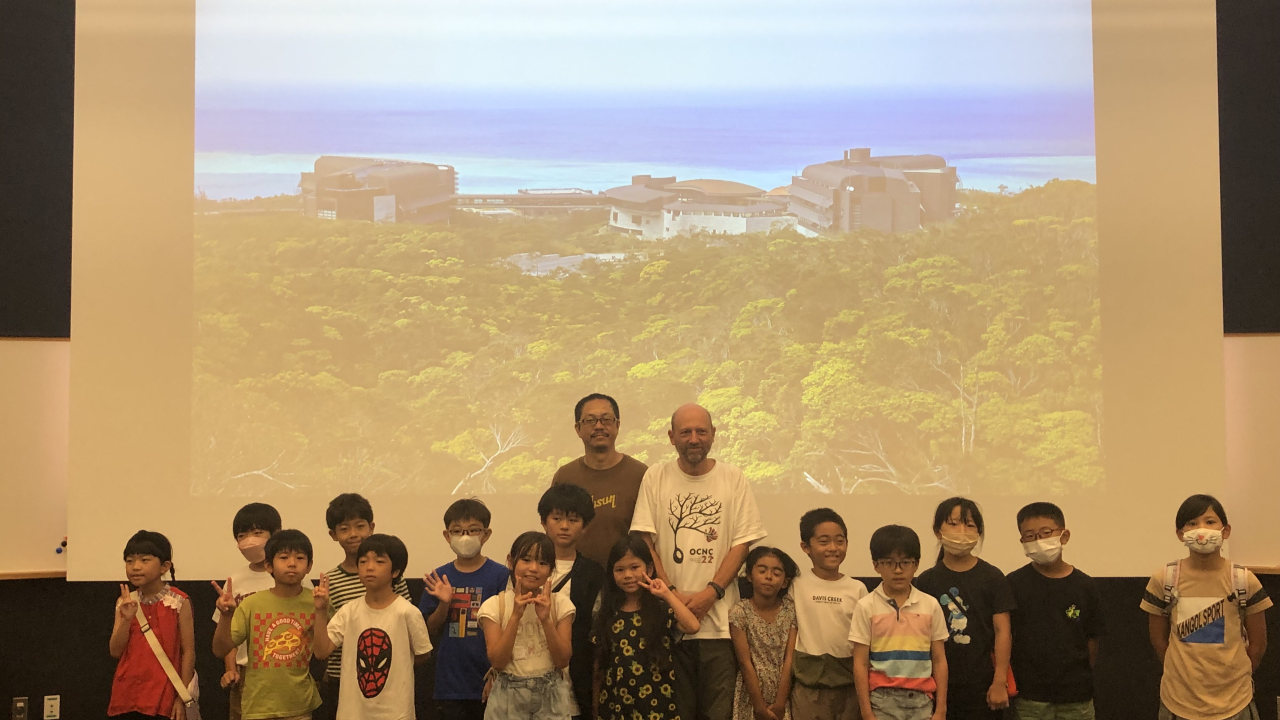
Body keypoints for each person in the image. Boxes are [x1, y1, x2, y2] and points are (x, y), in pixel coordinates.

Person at [630, 403, 767, 720]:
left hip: (720, 627)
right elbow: (646, 541)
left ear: (713, 435)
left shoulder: (733, 478)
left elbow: (742, 542)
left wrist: (711, 592)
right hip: (668, 624)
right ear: (671, 437)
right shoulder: (656, 476)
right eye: (686, 432)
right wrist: (672, 592)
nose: (694, 439)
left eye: (701, 431)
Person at [1140, 494, 1271, 720]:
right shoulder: (1164, 579)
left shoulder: (1244, 580)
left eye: (1210, 522)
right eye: (1192, 523)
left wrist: (1234, 676)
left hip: (1235, 703)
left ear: (1225, 530)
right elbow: (1159, 641)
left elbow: (1258, 645)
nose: (1201, 529)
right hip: (1178, 703)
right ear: (1181, 534)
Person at [914, 497, 1015, 720]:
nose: (962, 531)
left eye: (969, 525)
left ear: (978, 532)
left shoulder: (992, 577)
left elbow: (1002, 630)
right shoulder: (926, 581)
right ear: (938, 531)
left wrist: (999, 681)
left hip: (982, 684)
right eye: (953, 523)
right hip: (935, 686)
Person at [314, 534, 433, 720]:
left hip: (396, 713)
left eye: (379, 561)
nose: (369, 567)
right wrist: (320, 611)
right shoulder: (349, 611)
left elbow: (423, 654)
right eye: (363, 561)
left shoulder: (407, 612)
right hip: (352, 713)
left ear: (395, 572)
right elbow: (321, 652)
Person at [1007, 502, 1105, 720]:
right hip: (1031, 696)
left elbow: (1092, 640)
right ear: (1022, 541)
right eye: (1030, 536)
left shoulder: (1085, 585)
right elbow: (1007, 636)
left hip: (1076, 695)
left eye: (1046, 533)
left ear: (1064, 535)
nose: (1039, 541)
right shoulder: (1013, 584)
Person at [318, 494, 412, 720]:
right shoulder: (330, 581)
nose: (353, 534)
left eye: (360, 526)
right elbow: (326, 636)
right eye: (344, 528)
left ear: (371, 527)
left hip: (387, 674)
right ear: (333, 534)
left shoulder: (392, 577)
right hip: (342, 674)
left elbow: (407, 629)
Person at [212, 529, 323, 720]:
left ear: (309, 565)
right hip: (258, 705)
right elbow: (220, 650)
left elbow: (324, 650)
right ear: (269, 565)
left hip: (300, 705)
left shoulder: (317, 603)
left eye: (300, 557)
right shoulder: (251, 604)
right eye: (284, 557)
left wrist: (321, 611)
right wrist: (226, 616)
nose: (292, 563)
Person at [591, 533, 701, 720]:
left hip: (658, 703)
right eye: (619, 569)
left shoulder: (661, 609)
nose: (628, 575)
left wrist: (667, 594)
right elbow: (599, 666)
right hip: (615, 704)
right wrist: (595, 708)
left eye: (635, 567)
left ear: (649, 569)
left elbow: (692, 626)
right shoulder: (606, 613)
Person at [419, 498, 510, 720]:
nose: (465, 537)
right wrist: (445, 603)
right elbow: (429, 629)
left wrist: (496, 674)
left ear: (486, 534)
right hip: (450, 683)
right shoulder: (437, 577)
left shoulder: (501, 575)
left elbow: (508, 628)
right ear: (447, 536)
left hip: (491, 679)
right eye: (457, 531)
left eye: (473, 530)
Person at [850, 525, 948, 720]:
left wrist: (940, 709)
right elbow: (860, 663)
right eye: (889, 562)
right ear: (876, 565)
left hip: (922, 701)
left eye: (905, 562)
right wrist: (867, 712)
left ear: (917, 564)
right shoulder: (866, 606)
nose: (898, 570)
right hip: (882, 701)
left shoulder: (930, 605)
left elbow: (939, 660)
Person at [477, 532, 576, 720]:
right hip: (507, 697)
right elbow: (497, 662)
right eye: (526, 559)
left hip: (551, 696)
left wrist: (546, 620)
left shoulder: (560, 604)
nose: (533, 568)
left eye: (543, 563)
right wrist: (515, 616)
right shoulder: (494, 606)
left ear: (551, 569)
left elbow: (563, 660)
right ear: (511, 561)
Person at [551, 393, 648, 568]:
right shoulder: (565, 476)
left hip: (626, 581)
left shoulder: (641, 474)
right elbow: (553, 530)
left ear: (617, 425)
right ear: (577, 428)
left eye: (606, 420)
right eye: (590, 420)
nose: (599, 426)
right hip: (576, 579)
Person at [109, 530, 197, 720]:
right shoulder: (125, 601)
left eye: (144, 560)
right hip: (127, 693)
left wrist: (182, 698)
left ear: (165, 566)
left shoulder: (178, 601)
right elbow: (115, 651)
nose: (135, 567)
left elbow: (188, 651)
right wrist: (125, 620)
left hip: (164, 695)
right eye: (129, 561)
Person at [791, 508, 868, 720]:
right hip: (808, 685)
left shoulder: (857, 588)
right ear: (805, 547)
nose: (833, 548)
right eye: (824, 541)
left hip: (848, 685)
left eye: (840, 541)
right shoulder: (796, 585)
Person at [538, 483, 607, 719]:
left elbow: (597, 630)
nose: (564, 526)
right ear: (543, 522)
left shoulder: (593, 574)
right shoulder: (527, 569)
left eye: (574, 520)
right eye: (556, 518)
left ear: (585, 526)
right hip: (527, 676)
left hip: (575, 678)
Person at [215, 502, 283, 720]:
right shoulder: (234, 581)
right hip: (245, 674)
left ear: (276, 534)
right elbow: (228, 637)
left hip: (284, 672)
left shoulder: (291, 576)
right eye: (242, 535)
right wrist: (230, 669)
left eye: (257, 533)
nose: (249, 541)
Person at [729, 546, 799, 720]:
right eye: (762, 570)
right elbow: (745, 662)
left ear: (785, 581)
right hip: (751, 695)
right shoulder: (739, 612)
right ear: (750, 576)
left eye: (776, 573)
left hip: (784, 693)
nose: (769, 577)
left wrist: (780, 703)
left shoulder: (791, 611)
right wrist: (759, 707)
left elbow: (789, 658)